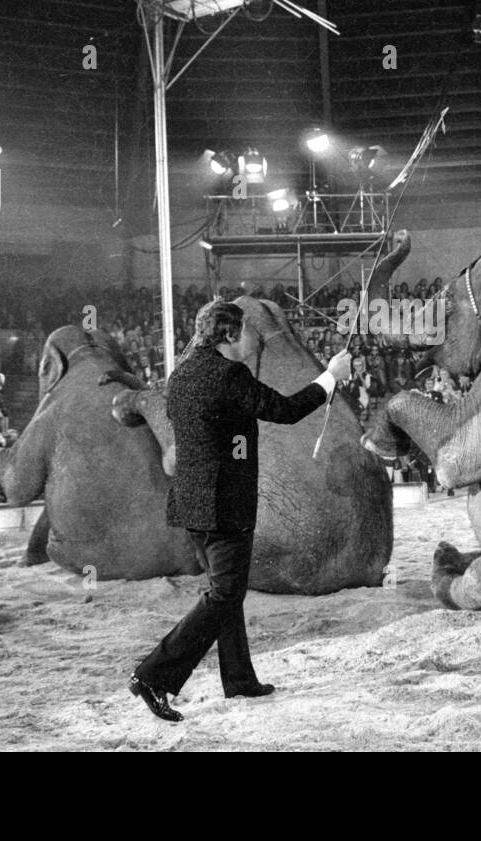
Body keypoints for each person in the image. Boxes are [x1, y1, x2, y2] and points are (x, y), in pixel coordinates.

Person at [129, 299, 352, 723]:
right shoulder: (229, 373)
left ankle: (240, 679)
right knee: (224, 594)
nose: (251, 338)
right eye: (246, 331)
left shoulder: (181, 374)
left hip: (191, 502)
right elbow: (284, 411)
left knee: (225, 592)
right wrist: (330, 377)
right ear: (230, 334)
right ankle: (154, 675)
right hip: (225, 504)